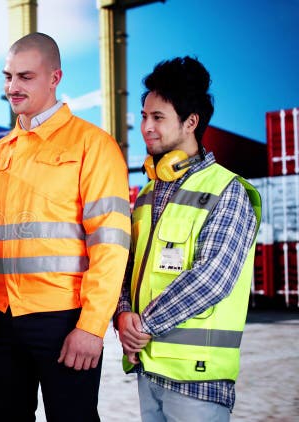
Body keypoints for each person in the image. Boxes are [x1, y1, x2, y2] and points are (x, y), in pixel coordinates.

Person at [0, 32, 131, 421]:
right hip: (1, 322)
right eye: (7, 77)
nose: (12, 87)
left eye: (25, 77)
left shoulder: (93, 146)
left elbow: (110, 244)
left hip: (65, 320)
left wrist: (91, 327)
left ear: (55, 78)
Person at [115, 57, 260, 421]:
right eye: (144, 115)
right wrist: (121, 315)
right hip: (149, 370)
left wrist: (142, 326)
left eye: (158, 117)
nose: (145, 127)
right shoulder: (147, 194)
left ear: (191, 121)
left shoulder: (226, 190)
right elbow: (127, 267)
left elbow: (213, 277)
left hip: (198, 381)